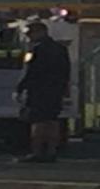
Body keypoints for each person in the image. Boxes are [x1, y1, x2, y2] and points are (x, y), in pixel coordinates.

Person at [13, 22, 72, 163]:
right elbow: (66, 71)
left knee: (37, 122)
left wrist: (20, 88)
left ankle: (37, 152)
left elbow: (32, 71)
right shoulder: (60, 49)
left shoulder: (37, 50)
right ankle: (51, 151)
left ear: (40, 32)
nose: (29, 37)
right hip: (56, 90)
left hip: (39, 90)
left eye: (31, 34)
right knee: (52, 121)